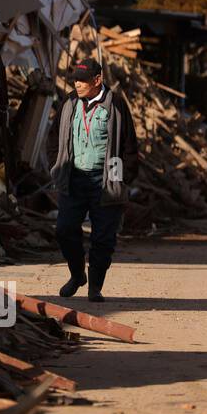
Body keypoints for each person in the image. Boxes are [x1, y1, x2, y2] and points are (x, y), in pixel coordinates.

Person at [47, 57, 140, 302]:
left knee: (103, 238)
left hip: (105, 181)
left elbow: (130, 147)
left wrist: (121, 180)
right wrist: (56, 166)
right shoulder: (69, 103)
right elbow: (53, 138)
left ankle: (95, 286)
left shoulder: (116, 105)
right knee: (64, 230)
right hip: (74, 179)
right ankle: (77, 275)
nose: (77, 84)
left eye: (83, 81)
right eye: (75, 80)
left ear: (97, 80)